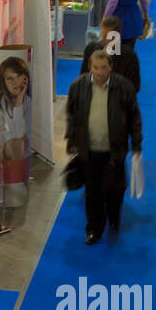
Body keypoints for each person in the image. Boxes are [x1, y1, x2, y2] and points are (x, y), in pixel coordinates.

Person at [65, 51, 143, 244]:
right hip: (88, 150)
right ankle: (94, 229)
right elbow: (72, 115)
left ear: (111, 67)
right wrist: (72, 141)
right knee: (92, 191)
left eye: (103, 67)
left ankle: (114, 219)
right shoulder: (78, 86)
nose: (99, 72)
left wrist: (136, 143)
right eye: (95, 67)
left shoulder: (124, 87)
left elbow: (134, 117)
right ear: (90, 67)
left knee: (115, 189)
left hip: (114, 151)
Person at [79, 15, 141, 91]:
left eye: (107, 36)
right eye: (102, 35)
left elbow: (134, 86)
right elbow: (82, 77)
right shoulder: (90, 50)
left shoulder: (129, 56)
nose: (103, 39)